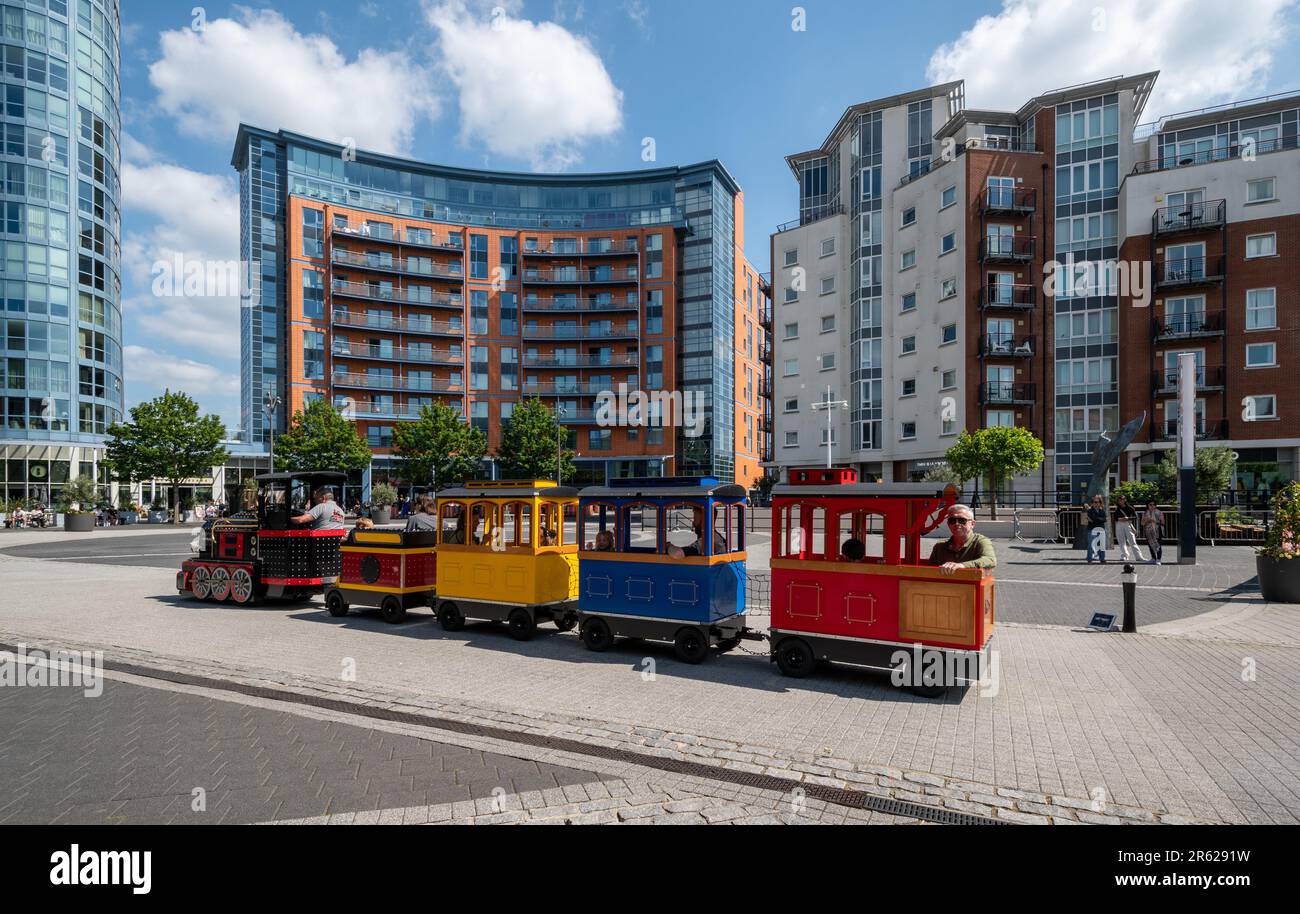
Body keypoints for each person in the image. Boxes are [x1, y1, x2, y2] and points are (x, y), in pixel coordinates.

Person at [927, 504, 997, 575]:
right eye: (952, 520)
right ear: (948, 524)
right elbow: (929, 572)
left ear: (972, 524)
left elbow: (990, 560)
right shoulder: (939, 547)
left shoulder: (981, 541)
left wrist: (962, 565)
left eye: (962, 520)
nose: (956, 524)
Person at [1112, 494, 1140, 562]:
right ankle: (1125, 555)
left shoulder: (1130, 508)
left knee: (1132, 540)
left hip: (1128, 524)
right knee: (1121, 541)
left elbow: (1135, 517)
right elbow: (1115, 518)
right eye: (1119, 500)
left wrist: (1128, 518)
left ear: (1125, 500)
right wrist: (1120, 519)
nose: (1120, 501)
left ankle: (1138, 557)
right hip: (1119, 524)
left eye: (1122, 500)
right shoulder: (1117, 509)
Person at [1085, 495, 1108, 564]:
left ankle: (1102, 559)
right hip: (1092, 529)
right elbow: (1092, 519)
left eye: (1098, 502)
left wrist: (1096, 519)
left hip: (1101, 529)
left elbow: (1104, 519)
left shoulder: (1102, 511)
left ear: (1100, 503)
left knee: (1102, 545)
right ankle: (1089, 558)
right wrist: (1099, 519)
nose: (1096, 503)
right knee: (1091, 544)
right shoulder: (1089, 511)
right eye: (1094, 502)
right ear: (1092, 503)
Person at [1141, 500, 1165, 565]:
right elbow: (1142, 523)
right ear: (1147, 505)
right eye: (1150, 504)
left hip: (1157, 531)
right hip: (1148, 531)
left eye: (1153, 504)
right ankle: (1153, 558)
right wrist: (1146, 520)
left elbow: (1163, 522)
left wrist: (1154, 521)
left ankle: (1158, 559)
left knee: (1158, 545)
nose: (1152, 506)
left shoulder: (1159, 512)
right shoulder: (1145, 513)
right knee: (1150, 545)